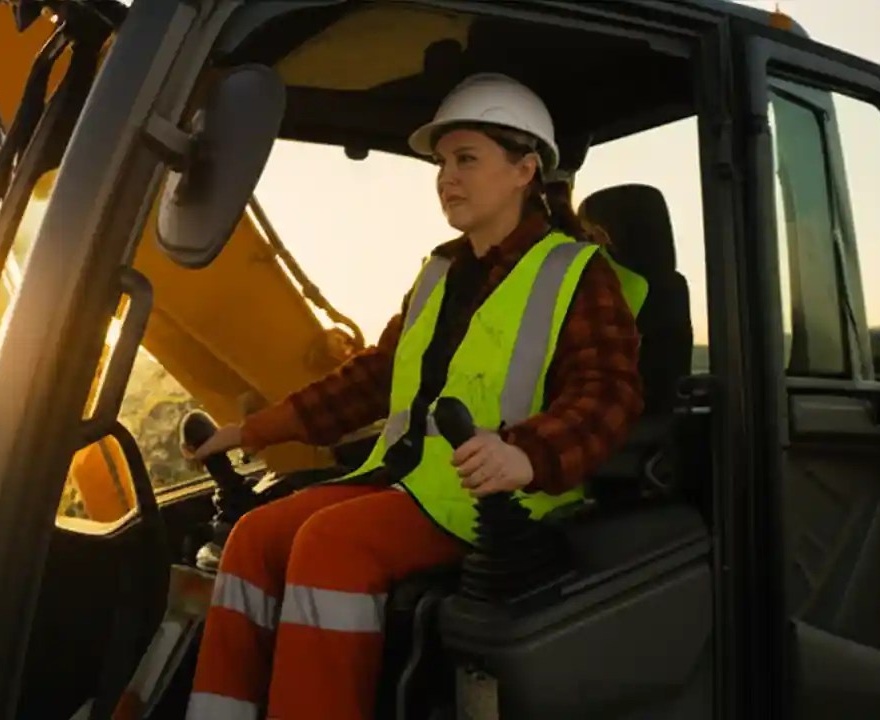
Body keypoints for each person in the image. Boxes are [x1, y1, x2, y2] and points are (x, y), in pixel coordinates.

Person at [185, 72, 645, 720]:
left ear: (525, 169)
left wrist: (526, 454)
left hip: (505, 500)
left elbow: (609, 397)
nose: (445, 178)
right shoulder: (438, 273)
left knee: (330, 544)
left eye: (466, 159)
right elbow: (374, 378)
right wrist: (257, 430)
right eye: (441, 163)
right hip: (409, 481)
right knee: (254, 535)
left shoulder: (578, 272)